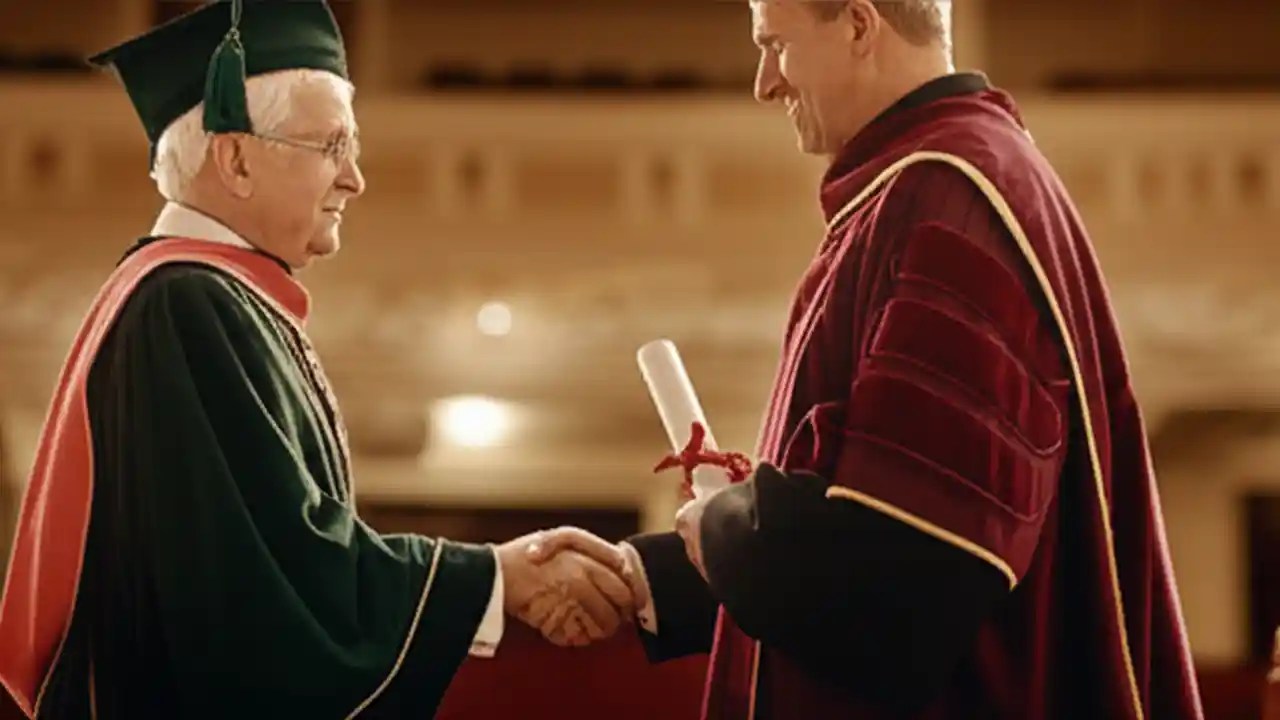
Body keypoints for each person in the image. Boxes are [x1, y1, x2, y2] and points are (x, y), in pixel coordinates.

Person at [533, 1, 1208, 717]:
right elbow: (863, 525)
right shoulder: (928, 190)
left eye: (777, 46)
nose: (766, 83)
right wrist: (650, 577)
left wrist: (729, 526)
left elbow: (906, 583)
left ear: (859, 24)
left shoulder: (953, 202)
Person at [0, 2, 635, 718]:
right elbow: (272, 589)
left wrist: (491, 579)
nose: (355, 178)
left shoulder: (208, 301)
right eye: (332, 145)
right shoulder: (187, 306)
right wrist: (492, 579)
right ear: (235, 157)